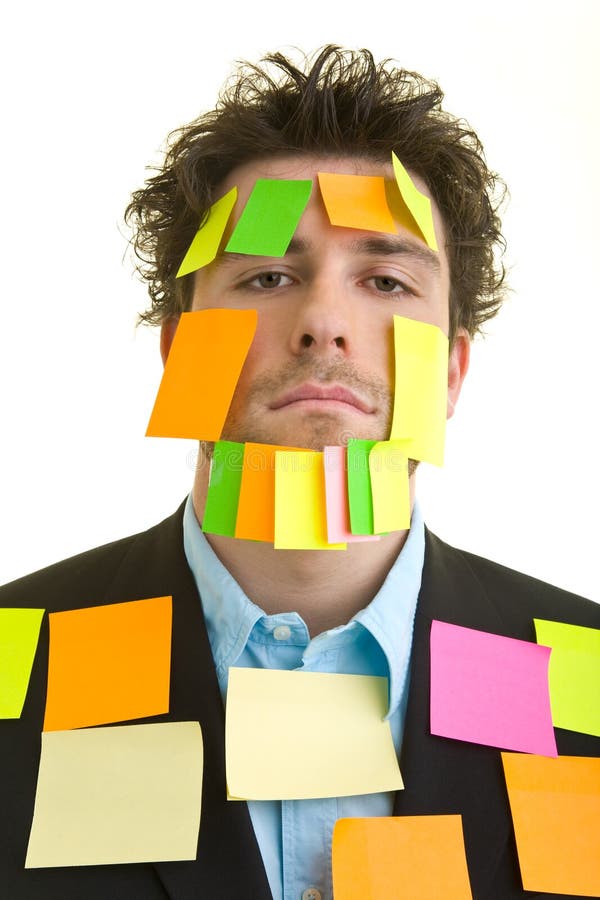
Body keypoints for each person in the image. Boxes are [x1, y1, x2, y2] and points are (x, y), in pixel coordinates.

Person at [1, 46, 598, 900]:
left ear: (454, 373)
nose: (324, 321)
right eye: (269, 275)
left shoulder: (593, 682)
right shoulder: (9, 663)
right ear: (179, 357)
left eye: (387, 279)